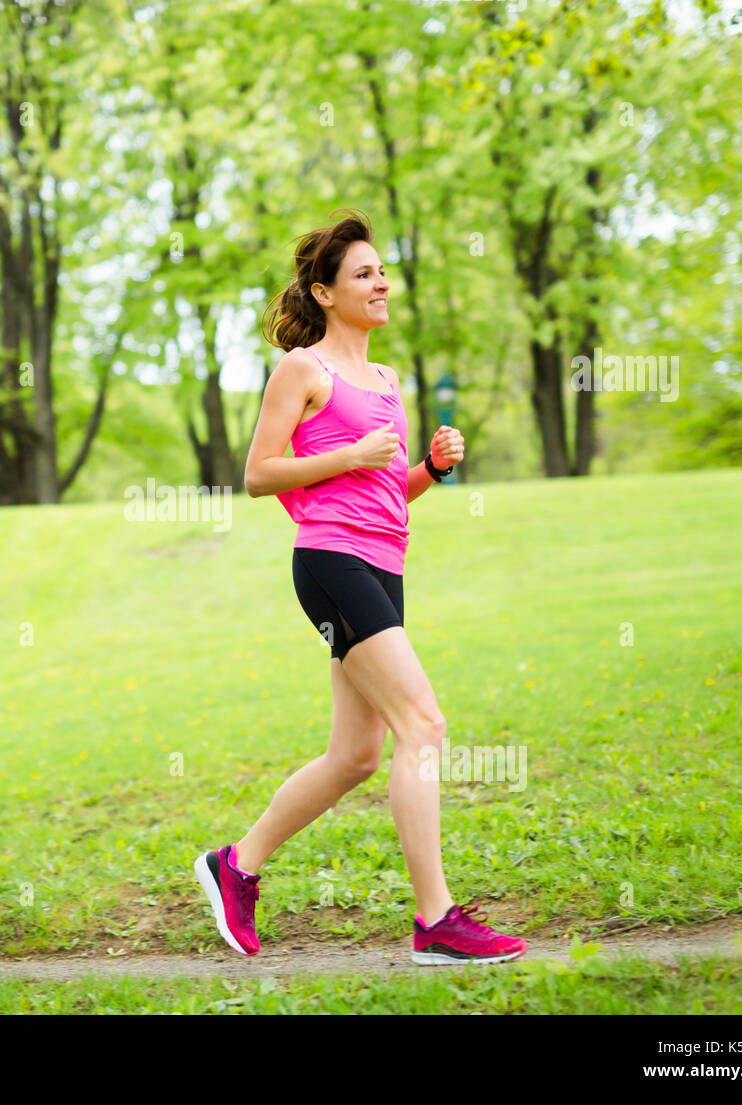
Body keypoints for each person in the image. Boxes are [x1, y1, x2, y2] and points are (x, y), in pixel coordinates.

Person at [195, 210, 527, 965]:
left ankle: (235, 864)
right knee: (425, 723)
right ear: (325, 291)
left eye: (383, 270)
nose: (381, 282)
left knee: (356, 755)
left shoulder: (388, 380)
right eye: (364, 273)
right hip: (329, 562)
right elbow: (257, 475)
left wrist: (432, 473)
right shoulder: (303, 370)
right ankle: (435, 920)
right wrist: (349, 454)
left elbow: (383, 494)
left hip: (381, 560)